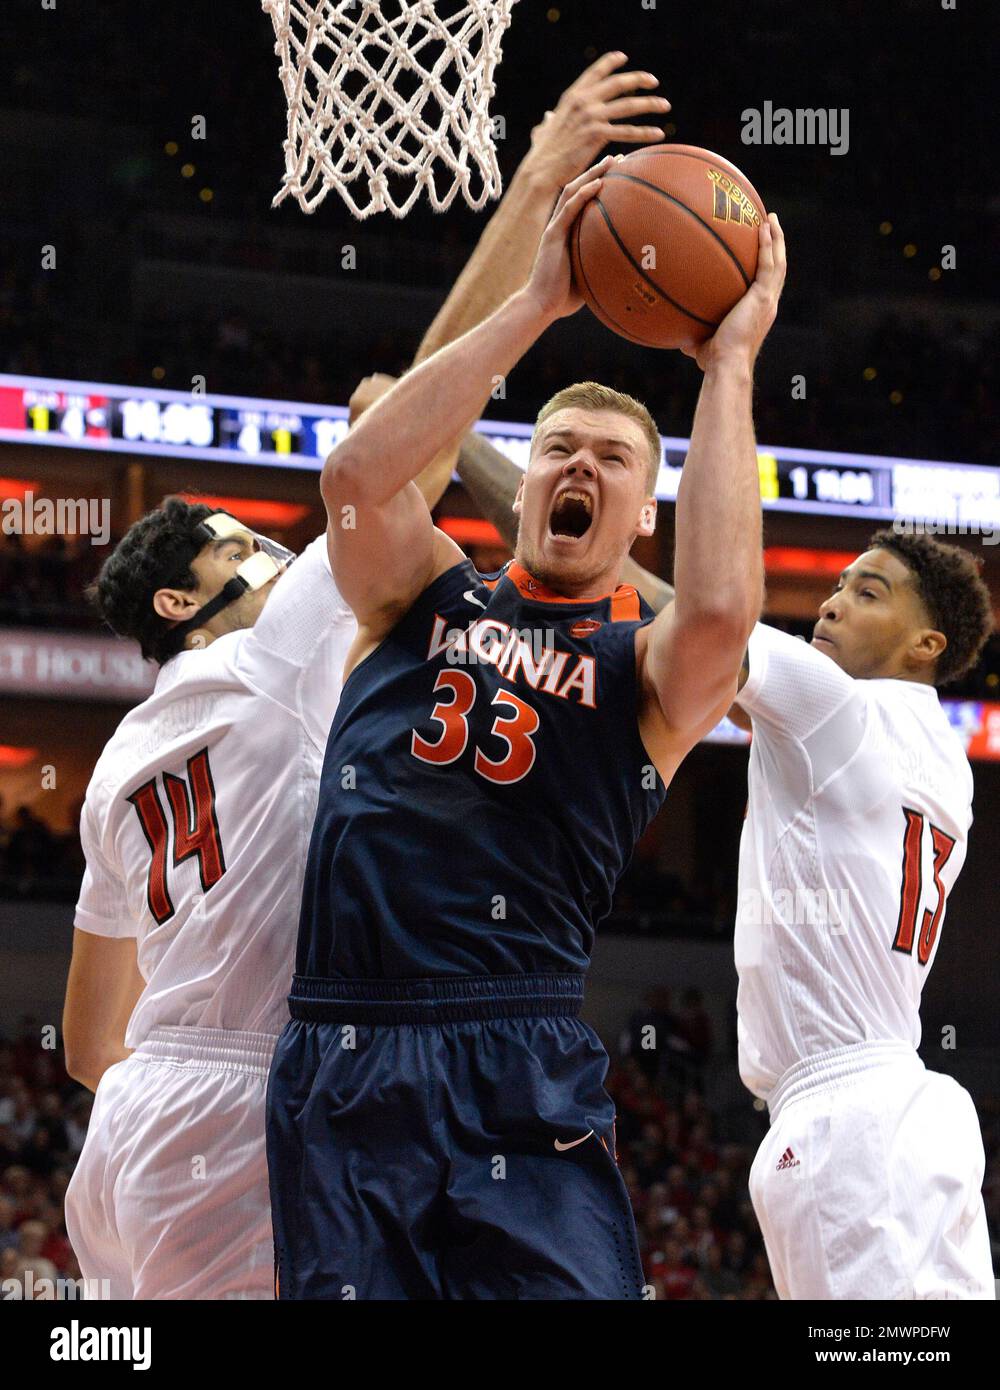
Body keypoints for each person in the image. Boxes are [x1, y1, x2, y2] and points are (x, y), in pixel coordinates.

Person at [60, 54, 677, 1301]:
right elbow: (408, 424)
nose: (278, 547)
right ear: (185, 600)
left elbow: (83, 1046)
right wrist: (539, 181)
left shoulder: (119, 761)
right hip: (262, 1100)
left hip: (124, 1138)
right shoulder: (275, 652)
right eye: (242, 542)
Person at [265, 143, 785, 1297]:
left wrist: (730, 364)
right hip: (347, 1038)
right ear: (523, 475)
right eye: (559, 449)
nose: (579, 469)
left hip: (517, 1045)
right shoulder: (415, 593)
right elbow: (354, 477)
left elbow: (719, 614)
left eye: (610, 461)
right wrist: (540, 301)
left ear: (640, 513)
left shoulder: (642, 671)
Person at [731, 531, 995, 1299]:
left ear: (925, 644)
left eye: (867, 592)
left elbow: (705, 624)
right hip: (900, 1111)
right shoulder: (939, 753)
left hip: (849, 1124)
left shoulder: (841, 713)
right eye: (838, 585)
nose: (833, 602)